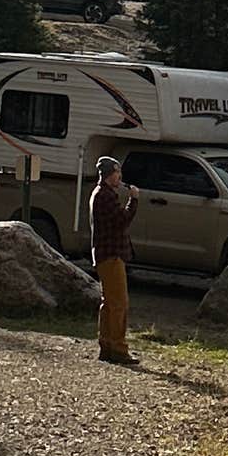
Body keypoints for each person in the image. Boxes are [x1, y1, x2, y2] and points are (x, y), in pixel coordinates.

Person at [88, 155, 138, 366]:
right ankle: (118, 348)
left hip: (103, 254)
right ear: (109, 174)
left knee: (108, 302)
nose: (120, 177)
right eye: (117, 172)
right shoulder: (106, 196)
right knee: (119, 303)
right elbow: (122, 220)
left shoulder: (100, 193)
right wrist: (133, 200)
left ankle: (106, 345)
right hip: (110, 255)